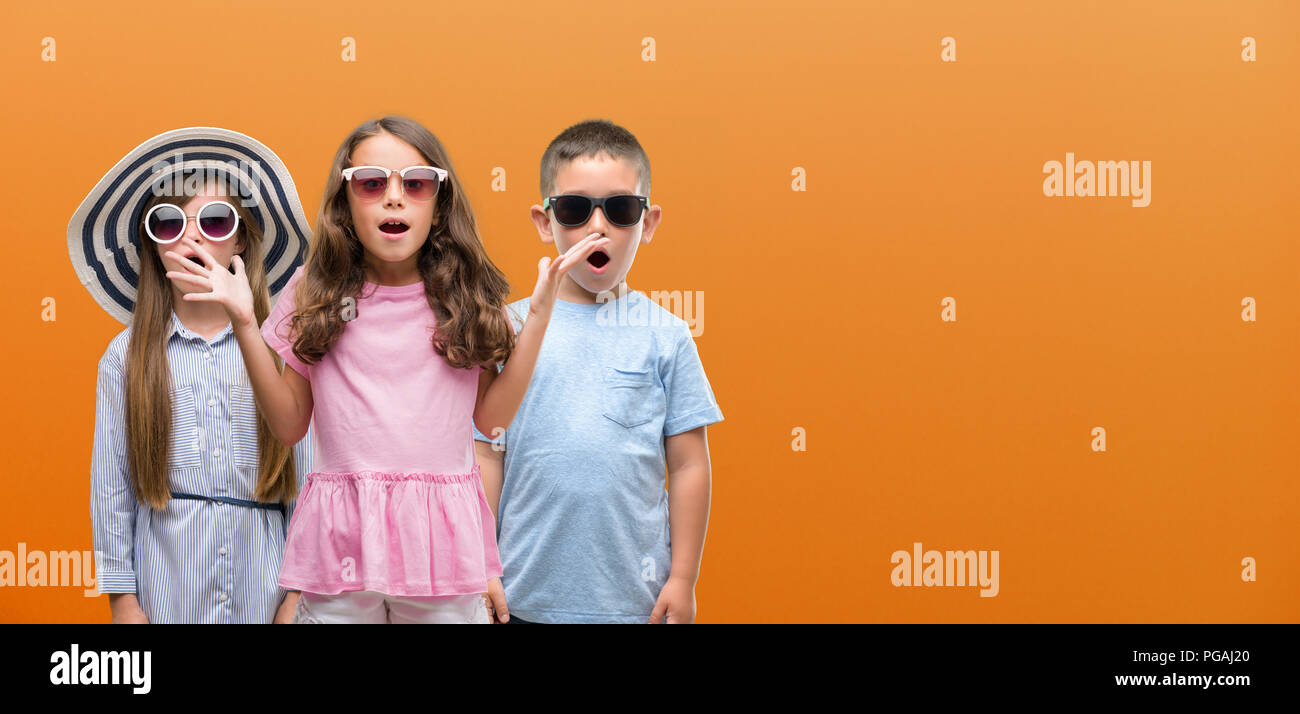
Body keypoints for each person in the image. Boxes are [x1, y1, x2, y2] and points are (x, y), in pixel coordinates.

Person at [178, 116, 608, 623]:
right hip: (339, 547)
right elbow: (289, 425)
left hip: (441, 552)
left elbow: (492, 422)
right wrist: (246, 321)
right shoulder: (314, 294)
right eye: (372, 182)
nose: (394, 197)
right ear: (346, 200)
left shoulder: (464, 297)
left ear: (439, 203)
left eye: (417, 183)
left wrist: (536, 318)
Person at [475, 119, 723, 623]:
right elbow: (486, 454)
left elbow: (689, 465)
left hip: (634, 604)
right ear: (545, 222)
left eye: (620, 209)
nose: (596, 227)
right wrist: (482, 564)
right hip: (522, 600)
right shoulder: (508, 328)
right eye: (573, 209)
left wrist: (682, 577)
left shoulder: (666, 335)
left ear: (647, 223)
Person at [77, 127, 314, 623]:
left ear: (242, 240)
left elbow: (309, 481)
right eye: (167, 223)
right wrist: (123, 600)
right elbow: (111, 488)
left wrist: (295, 597)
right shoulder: (125, 359)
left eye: (214, 220)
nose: (191, 236)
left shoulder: (283, 352)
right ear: (152, 244)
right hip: (167, 596)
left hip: (264, 592)